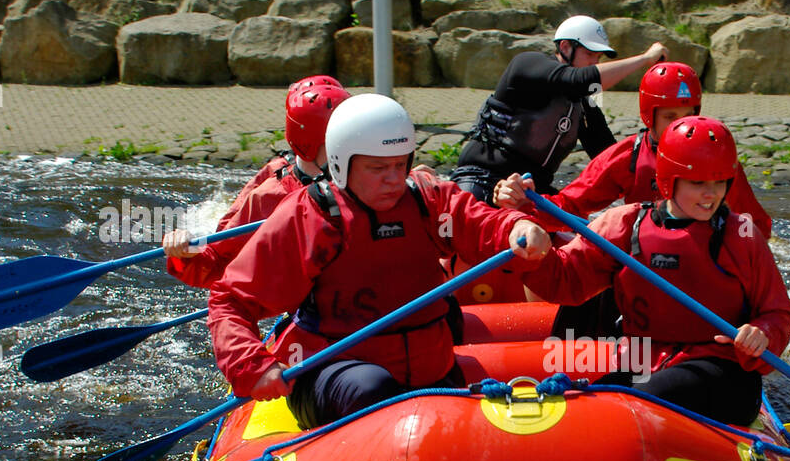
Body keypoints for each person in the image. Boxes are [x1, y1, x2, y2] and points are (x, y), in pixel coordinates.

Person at [207, 94, 552, 429]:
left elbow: (478, 222)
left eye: (400, 165)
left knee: (443, 346)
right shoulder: (310, 217)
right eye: (377, 168)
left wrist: (516, 226)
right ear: (341, 164)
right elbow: (229, 300)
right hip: (334, 371)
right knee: (370, 387)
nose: (393, 179)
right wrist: (251, 366)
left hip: (428, 368)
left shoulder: (424, 198)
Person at [521, 116, 790, 427]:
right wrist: (535, 251)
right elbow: (565, 282)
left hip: (722, 371)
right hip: (643, 361)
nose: (711, 194)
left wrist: (762, 333)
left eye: (719, 182)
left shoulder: (743, 235)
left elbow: (778, 313)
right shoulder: (625, 225)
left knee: (639, 402)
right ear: (669, 179)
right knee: (584, 411)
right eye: (698, 182)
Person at [442, 16, 667, 304]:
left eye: (598, 57)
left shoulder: (585, 104)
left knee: (579, 240)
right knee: (463, 233)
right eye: (590, 55)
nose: (594, 62)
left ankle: (545, 317)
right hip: (482, 179)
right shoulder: (527, 66)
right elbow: (579, 81)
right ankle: (450, 290)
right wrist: (646, 59)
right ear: (564, 47)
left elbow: (609, 155)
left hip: (534, 194)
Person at [494, 62, 772, 240]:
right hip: (649, 259)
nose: (681, 127)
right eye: (670, 117)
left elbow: (755, 224)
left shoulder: (716, 158)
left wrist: (745, 265)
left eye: (688, 115)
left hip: (706, 260)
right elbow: (570, 205)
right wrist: (524, 202)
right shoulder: (627, 156)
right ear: (649, 117)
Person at [163, 75, 351, 289]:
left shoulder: (365, 176)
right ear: (309, 143)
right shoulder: (271, 193)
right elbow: (218, 262)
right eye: (339, 143)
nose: (355, 152)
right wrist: (186, 251)